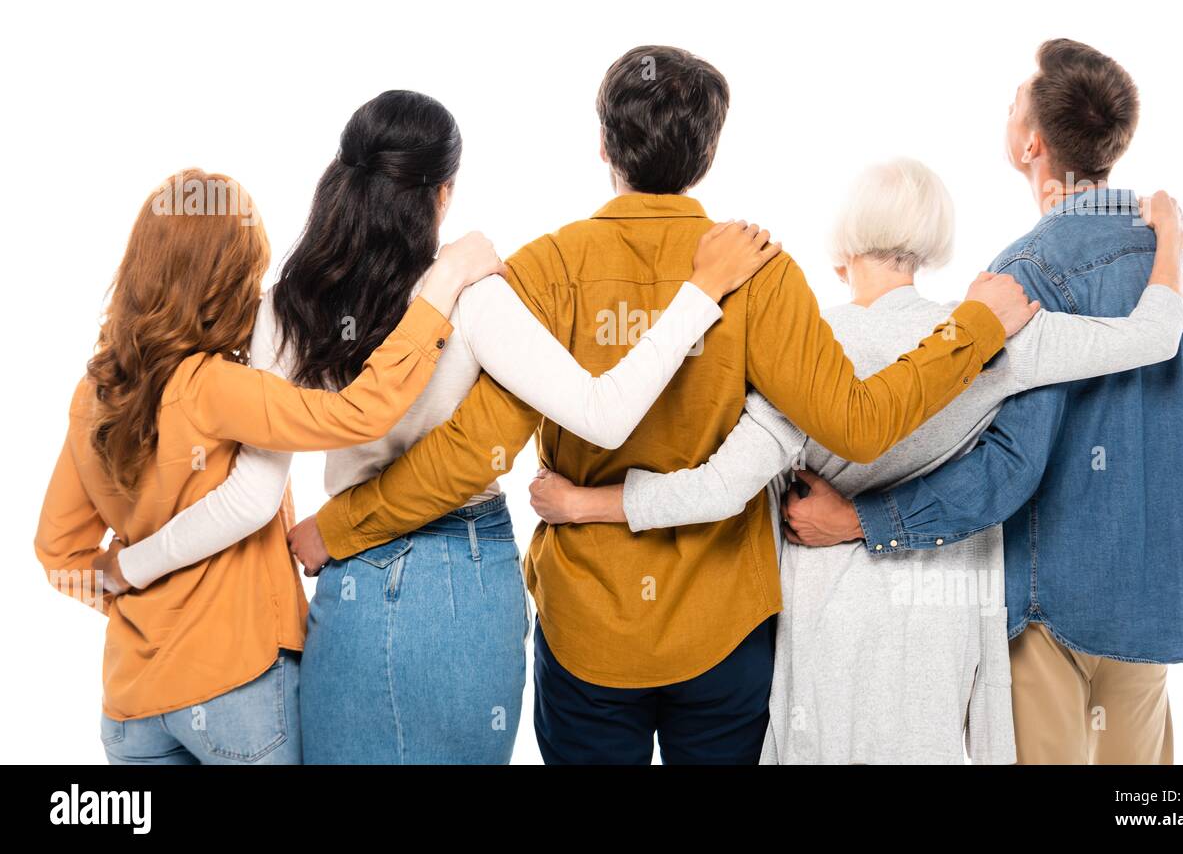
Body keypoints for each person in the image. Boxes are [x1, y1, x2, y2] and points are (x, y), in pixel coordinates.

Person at [289, 46, 1039, 765]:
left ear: (606, 146)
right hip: (725, 634)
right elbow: (859, 423)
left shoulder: (549, 267)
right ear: (707, 154)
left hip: (590, 632)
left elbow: (469, 455)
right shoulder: (758, 270)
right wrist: (975, 325)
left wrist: (342, 523)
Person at [102, 91, 779, 764]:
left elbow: (251, 497)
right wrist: (701, 292)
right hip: (465, 575)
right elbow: (605, 414)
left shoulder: (288, 305)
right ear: (443, 193)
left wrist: (126, 567)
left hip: (353, 577)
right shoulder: (475, 297)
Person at [529, 158, 1183, 764]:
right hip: (942, 612)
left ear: (842, 251)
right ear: (933, 241)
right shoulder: (998, 332)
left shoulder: (806, 353)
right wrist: (1170, 236)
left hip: (823, 617)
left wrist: (584, 502)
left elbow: (719, 488)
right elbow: (1158, 334)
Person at [782, 39, 1183, 764]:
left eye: (1014, 102)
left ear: (1030, 145)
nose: (1006, 111)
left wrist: (862, 519)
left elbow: (1009, 466)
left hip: (1045, 618)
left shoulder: (1025, 273)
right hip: (1151, 616)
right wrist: (1176, 560)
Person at [34, 166, 506, 764]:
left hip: (132, 711)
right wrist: (444, 284)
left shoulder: (93, 394)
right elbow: (362, 413)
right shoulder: (217, 388)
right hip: (239, 691)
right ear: (228, 280)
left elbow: (59, 556)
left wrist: (135, 591)